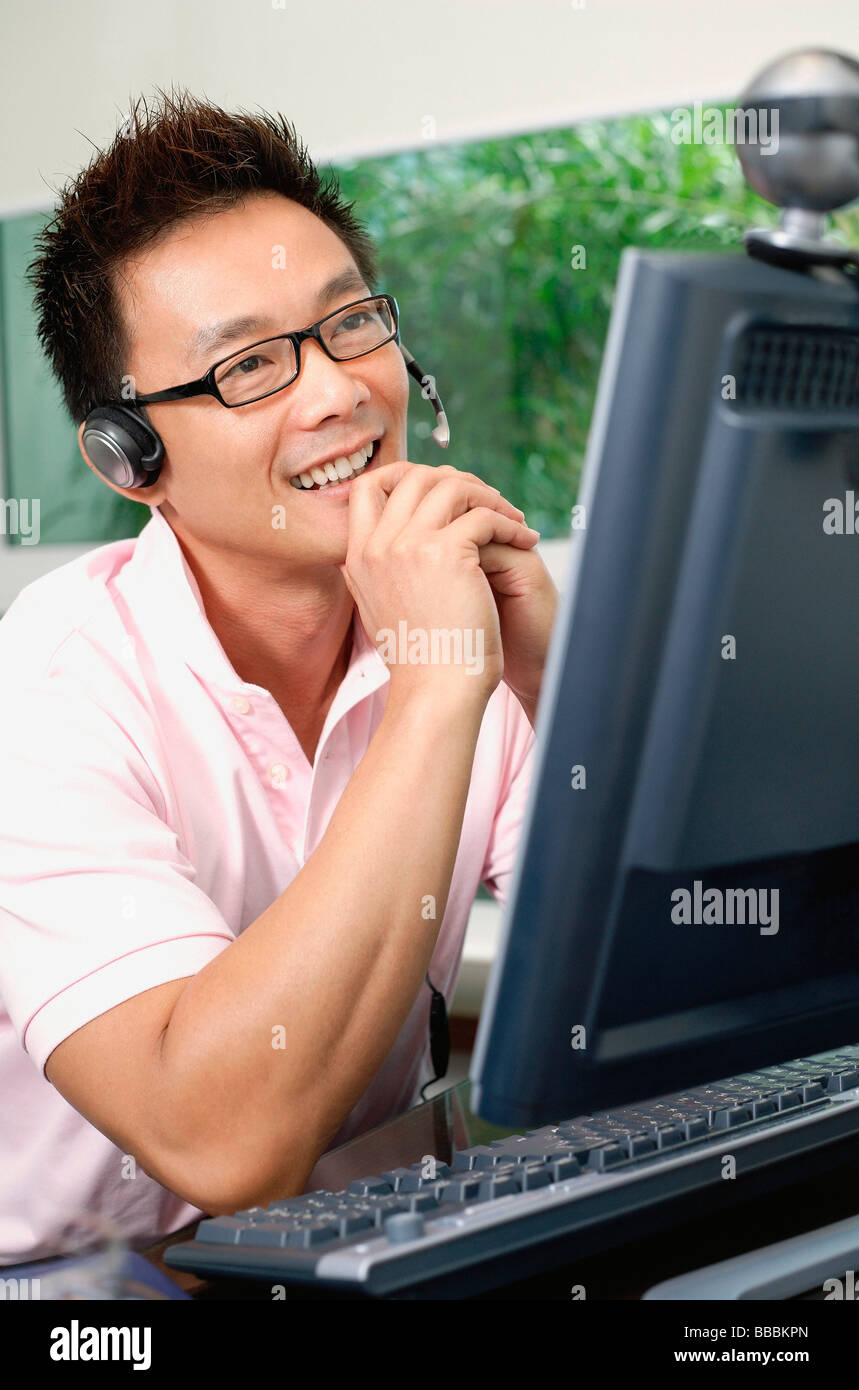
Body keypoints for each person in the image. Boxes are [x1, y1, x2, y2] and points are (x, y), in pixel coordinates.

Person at [0, 89, 558, 1264]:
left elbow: (689, 975)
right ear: (128, 456)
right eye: (250, 367)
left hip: (360, 1240)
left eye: (351, 324)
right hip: (78, 1285)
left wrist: (554, 675)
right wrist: (440, 685)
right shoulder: (46, 690)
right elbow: (219, 1144)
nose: (336, 390)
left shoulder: (453, 622)